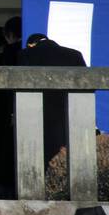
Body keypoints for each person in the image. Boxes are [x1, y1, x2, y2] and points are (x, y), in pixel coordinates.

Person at [19, 33, 87, 165]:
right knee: (67, 149)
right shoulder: (74, 54)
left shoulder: (25, 54)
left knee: (39, 152)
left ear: (31, 44)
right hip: (68, 109)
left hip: (37, 110)